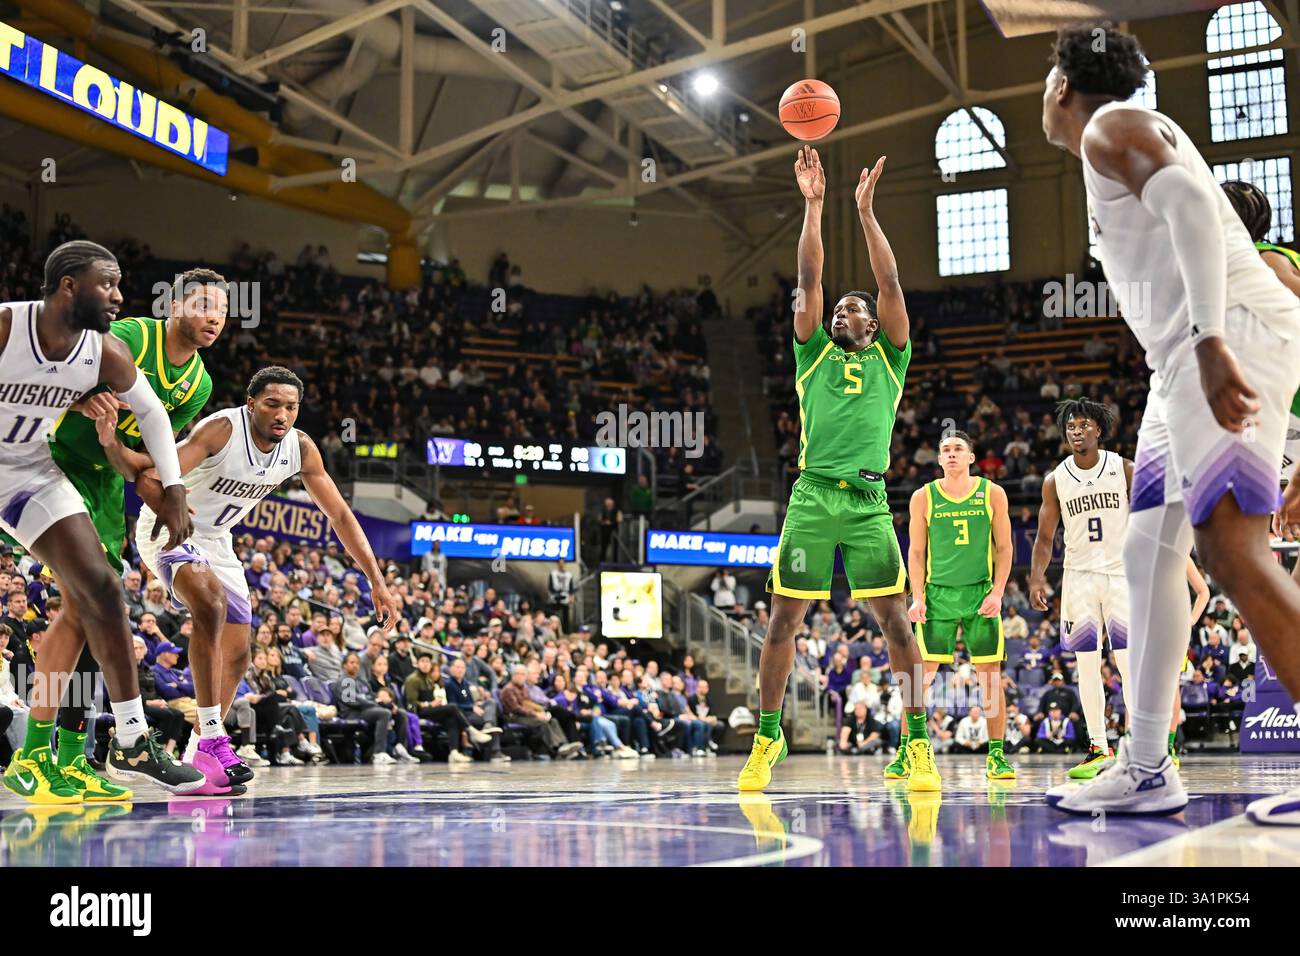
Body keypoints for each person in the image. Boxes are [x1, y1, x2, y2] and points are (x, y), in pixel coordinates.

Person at [1043, 24, 1300, 817]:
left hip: (1224, 341)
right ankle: (1148, 764)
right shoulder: (1124, 134)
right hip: (1176, 369)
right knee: (1146, 549)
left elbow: (1192, 201)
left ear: (1060, 87)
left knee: (1232, 553)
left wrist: (1211, 339)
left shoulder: (1105, 126)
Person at [109, 365, 397, 793]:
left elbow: (339, 514)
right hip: (172, 527)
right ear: (251, 404)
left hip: (218, 542)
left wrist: (376, 579)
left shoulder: (300, 448)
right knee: (209, 604)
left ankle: (199, 754)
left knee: (240, 653)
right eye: (272, 404)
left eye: (291, 407)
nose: (282, 414)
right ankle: (212, 738)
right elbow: (154, 475)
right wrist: (117, 449)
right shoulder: (222, 430)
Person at [741, 147, 925, 793]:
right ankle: (767, 736)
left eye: (855, 308)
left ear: (873, 325)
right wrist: (814, 206)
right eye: (838, 309)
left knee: (895, 622)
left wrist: (866, 212)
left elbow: (892, 284)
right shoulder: (812, 351)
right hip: (814, 496)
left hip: (870, 502)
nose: (843, 311)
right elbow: (810, 278)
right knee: (783, 621)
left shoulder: (891, 359)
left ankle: (916, 742)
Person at [0, 241, 205, 805]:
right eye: (107, 284)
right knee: (76, 609)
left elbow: (153, 416)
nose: (118, 296)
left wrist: (177, 489)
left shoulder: (106, 353)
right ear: (69, 285)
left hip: (33, 474)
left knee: (102, 592)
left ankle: (127, 737)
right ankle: (42, 752)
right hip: (60, 459)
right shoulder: (8, 328)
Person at [47, 267, 225, 798]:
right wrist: (78, 403)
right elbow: (47, 370)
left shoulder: (200, 383)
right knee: (89, 601)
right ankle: (91, 745)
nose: (215, 317)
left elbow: (143, 462)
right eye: (204, 305)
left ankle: (73, 750)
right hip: (47, 458)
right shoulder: (130, 336)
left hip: (99, 480)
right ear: (175, 307)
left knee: (93, 606)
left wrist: (115, 451)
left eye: (222, 310)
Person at [905, 431, 1015, 785]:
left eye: (958, 450)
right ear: (938, 460)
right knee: (919, 676)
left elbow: (1005, 548)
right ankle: (908, 750)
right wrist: (918, 596)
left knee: (989, 676)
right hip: (937, 596)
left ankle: (996, 754)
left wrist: (998, 592)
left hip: (980, 593)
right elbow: (917, 552)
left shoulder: (992, 493)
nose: (951, 455)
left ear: (971, 458)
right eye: (945, 451)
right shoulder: (923, 497)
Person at [336, 652, 394, 764]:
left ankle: (397, 749)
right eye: (351, 662)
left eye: (357, 663)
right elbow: (352, 701)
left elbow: (373, 696)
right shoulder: (344, 680)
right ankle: (378, 753)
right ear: (344, 665)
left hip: (366, 710)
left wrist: (383, 703)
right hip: (352, 713)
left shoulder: (362, 681)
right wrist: (373, 703)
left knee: (398, 713)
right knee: (384, 713)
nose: (355, 665)